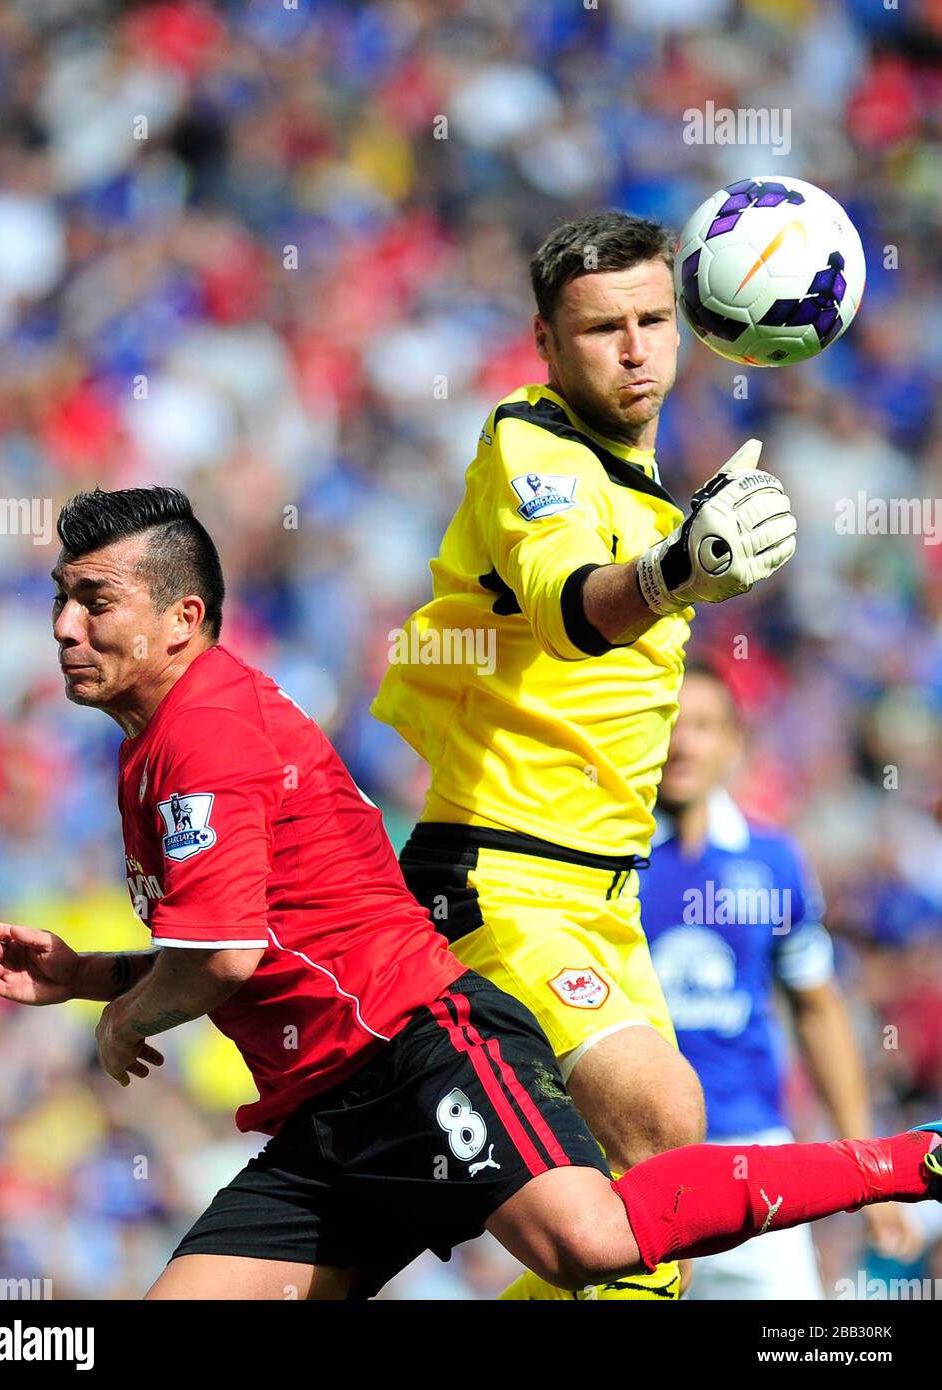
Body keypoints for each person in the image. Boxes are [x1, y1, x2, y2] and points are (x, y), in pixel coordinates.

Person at [0, 486, 942, 1301]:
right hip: (329, 1106)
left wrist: (126, 1010)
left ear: (182, 618)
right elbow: (257, 942)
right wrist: (92, 972)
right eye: (61, 597)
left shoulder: (205, 732)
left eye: (94, 600)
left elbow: (225, 958)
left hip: (418, 1047)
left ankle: (912, 1158)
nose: (63, 626)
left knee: (587, 1239)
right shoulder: (154, 743)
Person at [371, 210, 797, 1299]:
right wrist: (672, 573)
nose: (637, 347)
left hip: (603, 892)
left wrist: (675, 549)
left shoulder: (647, 481)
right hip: (499, 877)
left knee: (662, 1215)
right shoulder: (533, 445)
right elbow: (571, 607)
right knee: (663, 1135)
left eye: (655, 319)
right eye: (603, 327)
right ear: (547, 343)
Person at [641, 663, 922, 1299]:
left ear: (734, 743)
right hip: (632, 1162)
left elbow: (818, 1011)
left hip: (752, 1159)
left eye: (703, 727)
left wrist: (871, 1172)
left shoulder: (773, 864)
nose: (682, 743)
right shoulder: (602, 863)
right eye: (666, 724)